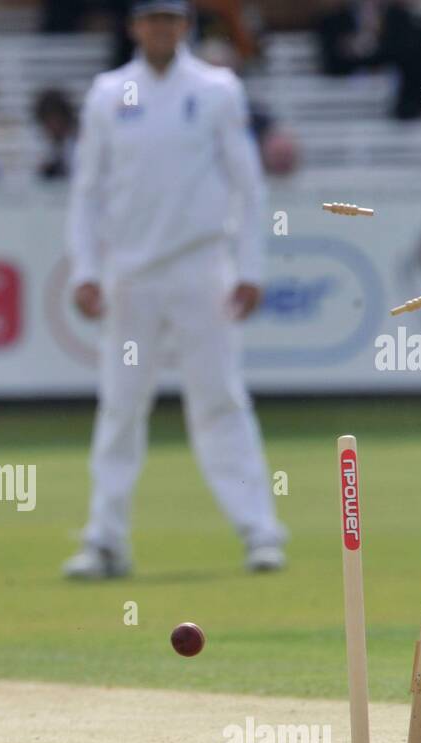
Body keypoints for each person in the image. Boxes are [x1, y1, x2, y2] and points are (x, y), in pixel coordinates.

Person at [63, 0, 285, 580]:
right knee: (120, 405)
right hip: (131, 276)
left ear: (185, 25)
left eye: (171, 18)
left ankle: (260, 531)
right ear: (134, 26)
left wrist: (250, 268)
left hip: (200, 269)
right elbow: (87, 190)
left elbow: (248, 185)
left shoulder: (217, 90)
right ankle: (105, 540)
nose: (160, 29)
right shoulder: (109, 93)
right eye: (150, 19)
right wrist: (86, 268)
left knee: (219, 400)